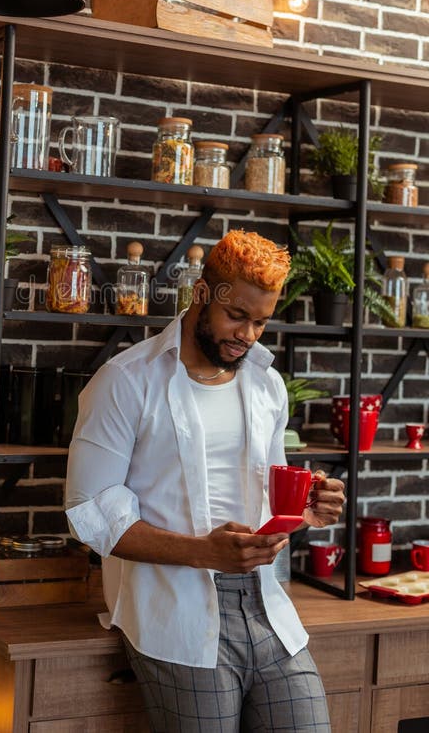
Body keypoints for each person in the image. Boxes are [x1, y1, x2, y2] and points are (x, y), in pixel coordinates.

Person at [65, 229, 345, 732]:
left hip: (268, 605)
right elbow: (91, 515)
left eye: (261, 321)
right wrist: (204, 553)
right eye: (236, 315)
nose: (248, 334)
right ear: (200, 294)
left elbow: (269, 499)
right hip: (176, 615)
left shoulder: (267, 385)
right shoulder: (125, 381)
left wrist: (306, 508)